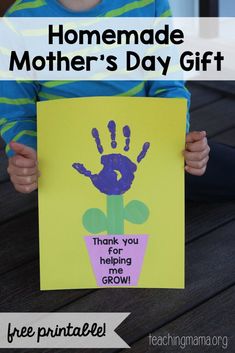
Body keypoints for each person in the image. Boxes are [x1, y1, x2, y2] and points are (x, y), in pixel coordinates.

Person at [0, 0, 210, 194]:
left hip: (150, 155)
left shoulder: (150, 5)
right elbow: (17, 116)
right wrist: (28, 162)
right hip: (63, 175)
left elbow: (168, 89)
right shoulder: (18, 23)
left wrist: (178, 139)